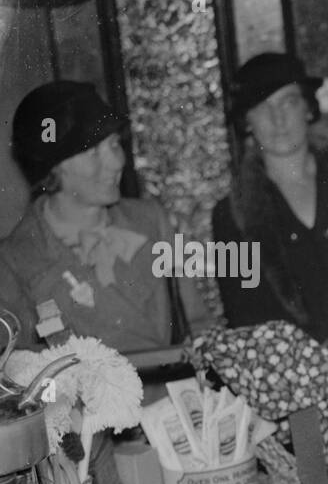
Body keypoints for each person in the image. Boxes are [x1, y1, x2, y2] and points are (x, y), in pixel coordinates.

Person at [0, 80, 216, 353]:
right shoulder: (15, 260)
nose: (116, 162)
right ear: (53, 168)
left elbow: (199, 325)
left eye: (114, 144)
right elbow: (22, 372)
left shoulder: (152, 222)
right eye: (93, 153)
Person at [211, 52, 328, 349]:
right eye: (263, 107)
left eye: (288, 102)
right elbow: (244, 319)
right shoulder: (232, 216)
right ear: (247, 122)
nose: (278, 119)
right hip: (295, 377)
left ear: (308, 108)